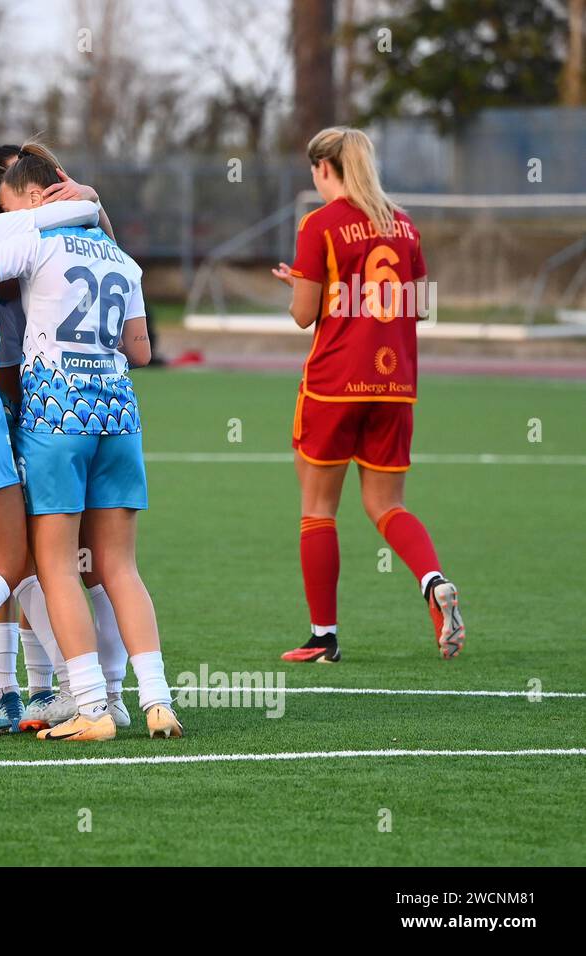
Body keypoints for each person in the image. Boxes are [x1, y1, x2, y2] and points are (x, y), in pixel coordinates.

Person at [0, 146, 182, 740]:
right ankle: (150, 701)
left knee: (19, 566)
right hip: (114, 415)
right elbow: (142, 352)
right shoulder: (122, 259)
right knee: (114, 567)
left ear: (29, 197)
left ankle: (65, 703)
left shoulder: (21, 239)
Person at [272, 126, 464, 663]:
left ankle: (323, 636)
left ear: (323, 168)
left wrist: (304, 289)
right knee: (387, 504)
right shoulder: (403, 225)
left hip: (335, 385)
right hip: (395, 384)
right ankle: (432, 582)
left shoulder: (320, 224)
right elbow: (418, 306)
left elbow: (305, 315)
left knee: (318, 509)